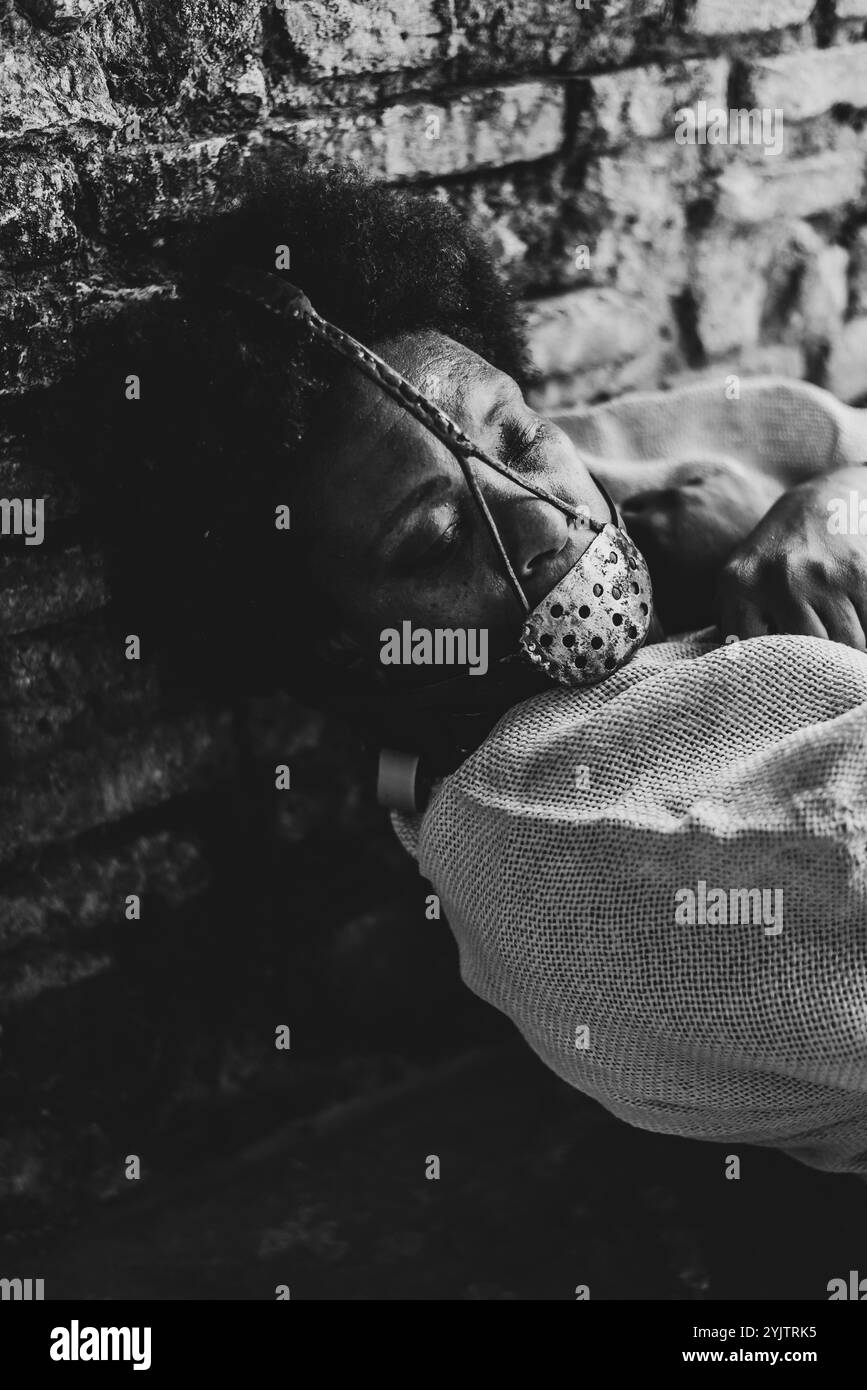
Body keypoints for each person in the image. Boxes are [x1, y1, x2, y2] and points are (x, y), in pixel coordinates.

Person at [33, 155, 867, 1174]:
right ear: (346, 640)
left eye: (521, 435)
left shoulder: (613, 474)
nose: (541, 517)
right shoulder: (570, 838)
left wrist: (828, 505)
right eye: (432, 543)